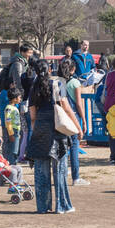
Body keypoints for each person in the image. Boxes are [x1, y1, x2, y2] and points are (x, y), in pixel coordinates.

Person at [26, 58, 79, 213]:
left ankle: (43, 206)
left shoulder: (33, 88)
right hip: (57, 130)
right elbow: (66, 107)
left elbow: (32, 115)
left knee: (41, 172)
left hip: (40, 130)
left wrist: (36, 132)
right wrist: (77, 126)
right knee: (60, 170)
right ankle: (62, 205)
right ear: (49, 70)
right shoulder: (57, 84)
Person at [58, 58, 89, 185]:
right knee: (75, 146)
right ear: (73, 69)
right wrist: (84, 120)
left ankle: (63, 173)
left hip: (60, 117)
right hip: (73, 116)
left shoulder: (58, 82)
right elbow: (79, 104)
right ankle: (76, 177)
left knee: (63, 147)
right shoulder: (75, 83)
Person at [1, 85, 23, 165]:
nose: (20, 99)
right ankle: (11, 165)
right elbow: (8, 121)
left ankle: (13, 164)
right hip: (13, 132)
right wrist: (11, 134)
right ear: (14, 98)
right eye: (19, 97)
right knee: (12, 151)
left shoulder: (14, 107)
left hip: (16, 131)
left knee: (15, 150)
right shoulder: (9, 108)